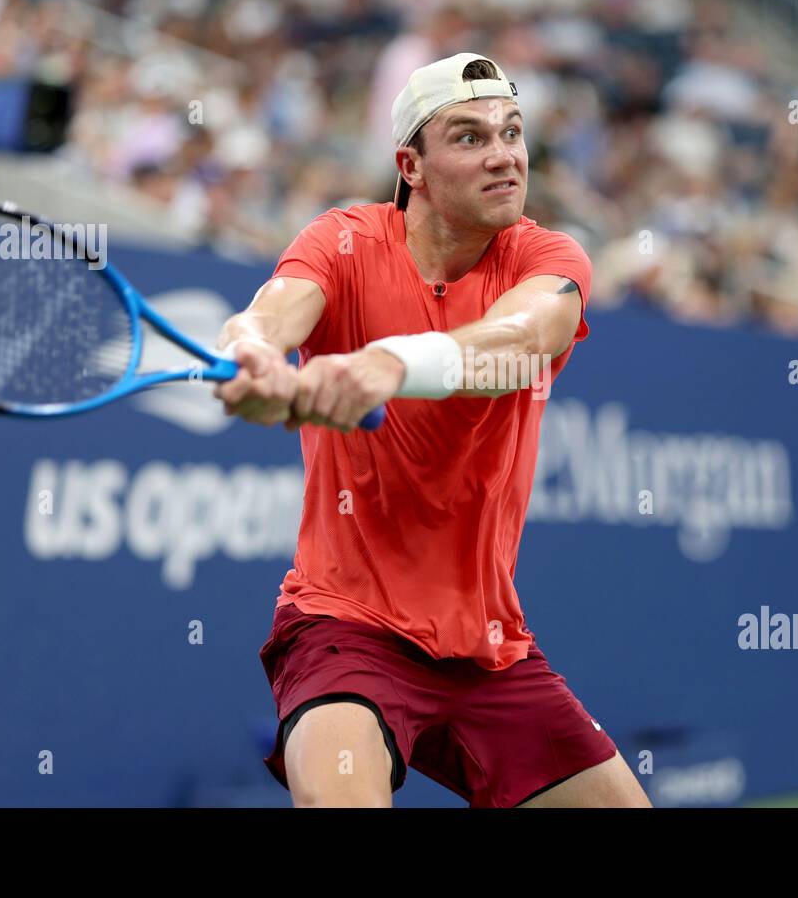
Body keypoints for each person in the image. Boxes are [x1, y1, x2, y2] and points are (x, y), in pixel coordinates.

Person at [214, 52, 651, 808]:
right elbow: (265, 317)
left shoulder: (546, 255)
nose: (504, 155)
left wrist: (388, 363)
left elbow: (523, 341)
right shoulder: (343, 240)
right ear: (410, 164)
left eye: (511, 133)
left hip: (490, 649)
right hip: (346, 628)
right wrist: (249, 359)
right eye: (470, 137)